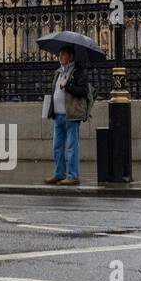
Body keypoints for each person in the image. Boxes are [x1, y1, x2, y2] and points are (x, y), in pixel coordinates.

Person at [44, 47, 90, 186]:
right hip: (58, 115)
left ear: (70, 57)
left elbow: (83, 91)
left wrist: (68, 85)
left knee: (71, 146)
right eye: (59, 54)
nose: (60, 57)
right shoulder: (58, 72)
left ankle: (73, 176)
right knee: (57, 146)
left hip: (71, 115)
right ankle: (59, 174)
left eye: (63, 54)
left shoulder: (78, 72)